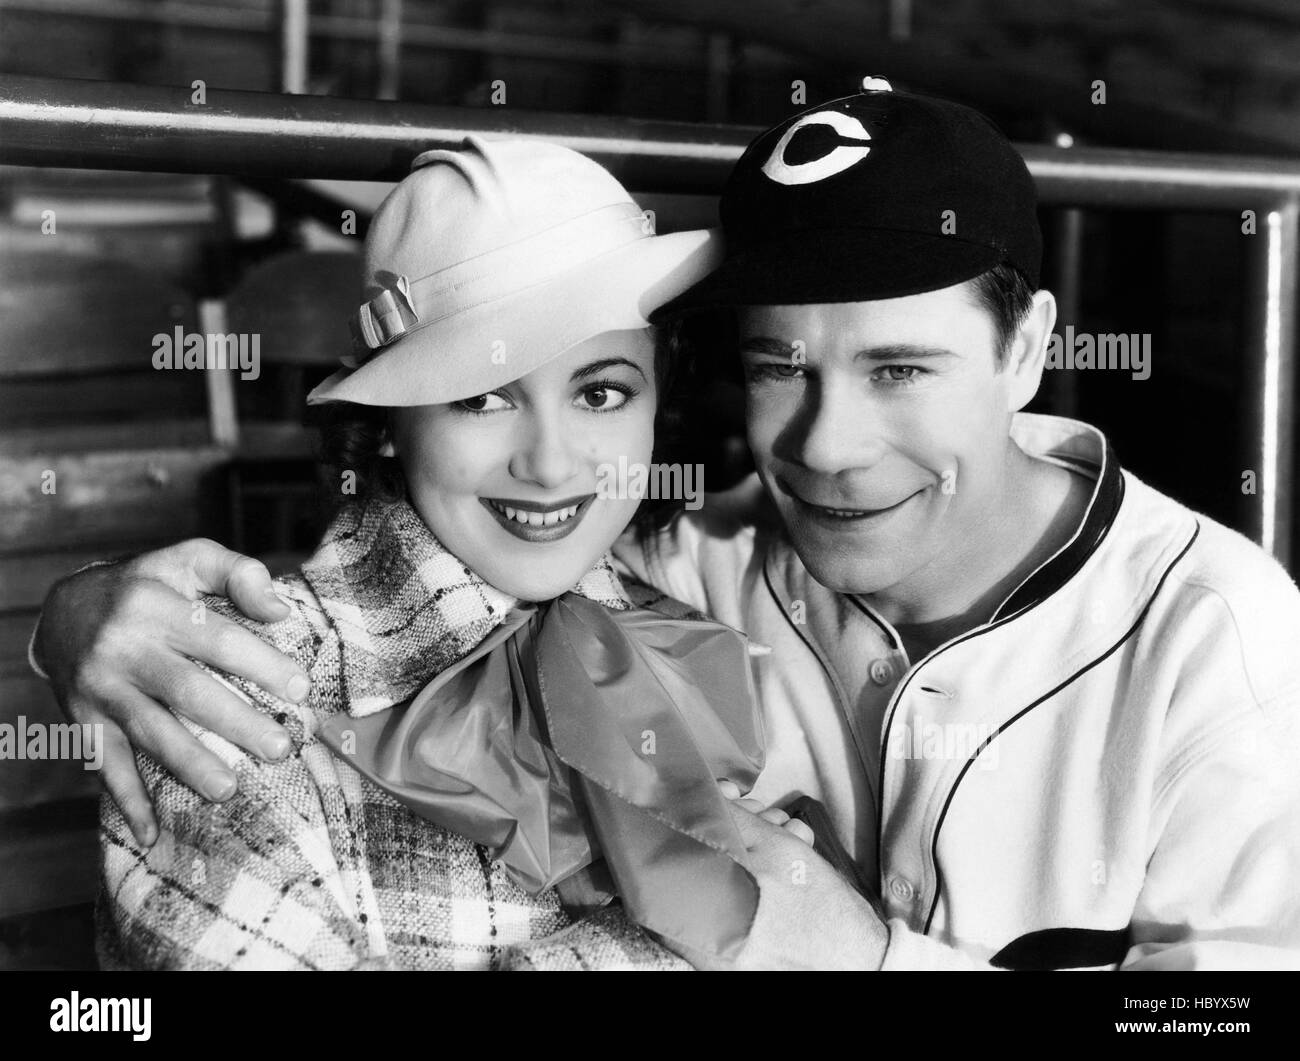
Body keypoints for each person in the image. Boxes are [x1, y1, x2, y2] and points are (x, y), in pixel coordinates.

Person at [35, 81, 1300, 970]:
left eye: (901, 369)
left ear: (1028, 348)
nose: (826, 443)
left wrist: (857, 960)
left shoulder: (1221, 642)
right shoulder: (691, 561)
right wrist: (82, 613)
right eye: (777, 367)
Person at [80, 136, 826, 971]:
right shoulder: (223, 691)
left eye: (601, 391)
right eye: (481, 397)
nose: (549, 462)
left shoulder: (692, 634)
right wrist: (703, 944)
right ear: (395, 424)